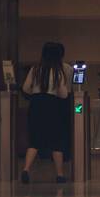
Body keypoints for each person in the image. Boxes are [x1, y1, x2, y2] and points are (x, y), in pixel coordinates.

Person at [20, 41, 73, 184]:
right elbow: (63, 94)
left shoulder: (35, 69)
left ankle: (26, 169)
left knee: (34, 141)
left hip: (36, 105)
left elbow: (25, 88)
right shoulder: (58, 71)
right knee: (56, 141)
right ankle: (60, 175)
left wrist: (36, 93)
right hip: (53, 106)